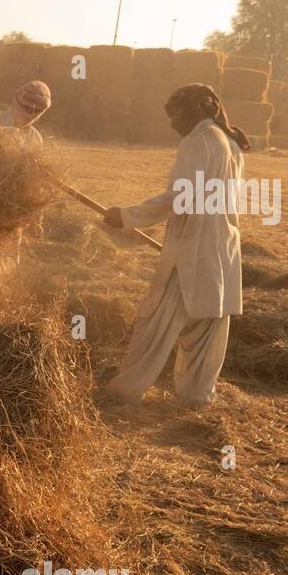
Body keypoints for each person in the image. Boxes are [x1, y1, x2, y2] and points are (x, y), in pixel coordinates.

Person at [101, 84, 249, 408]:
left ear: (197, 108)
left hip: (192, 248)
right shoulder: (232, 143)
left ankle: (126, 390)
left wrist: (126, 216)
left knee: (156, 321)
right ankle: (197, 397)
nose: (171, 123)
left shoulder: (197, 141)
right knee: (207, 326)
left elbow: (180, 198)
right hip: (223, 246)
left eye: (176, 114)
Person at [0, 80, 52, 149]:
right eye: (26, 107)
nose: (28, 113)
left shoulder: (35, 139)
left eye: (36, 110)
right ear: (17, 101)